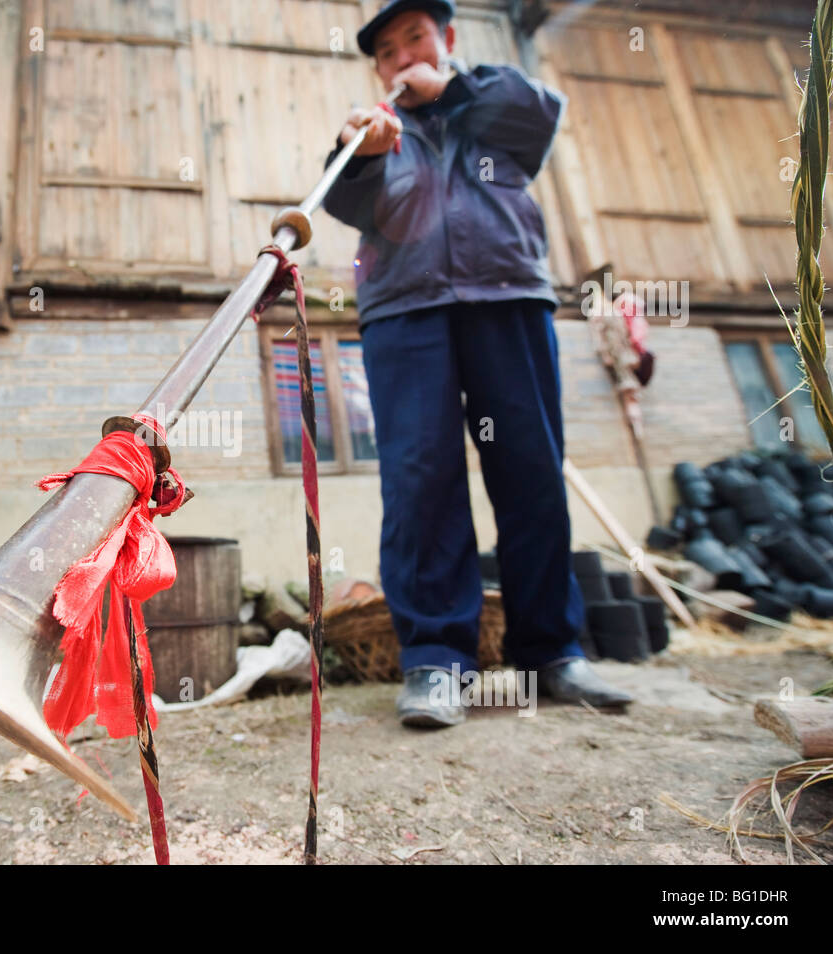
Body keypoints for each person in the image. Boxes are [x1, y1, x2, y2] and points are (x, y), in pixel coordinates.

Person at [323, 0, 633, 726]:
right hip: (405, 311)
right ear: (377, 66)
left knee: (529, 467)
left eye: (416, 38)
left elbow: (539, 117)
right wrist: (362, 155)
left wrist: (451, 92)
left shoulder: (493, 96)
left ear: (447, 40)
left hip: (507, 296)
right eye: (389, 50)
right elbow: (346, 203)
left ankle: (552, 653)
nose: (404, 56)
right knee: (420, 478)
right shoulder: (370, 134)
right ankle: (435, 661)